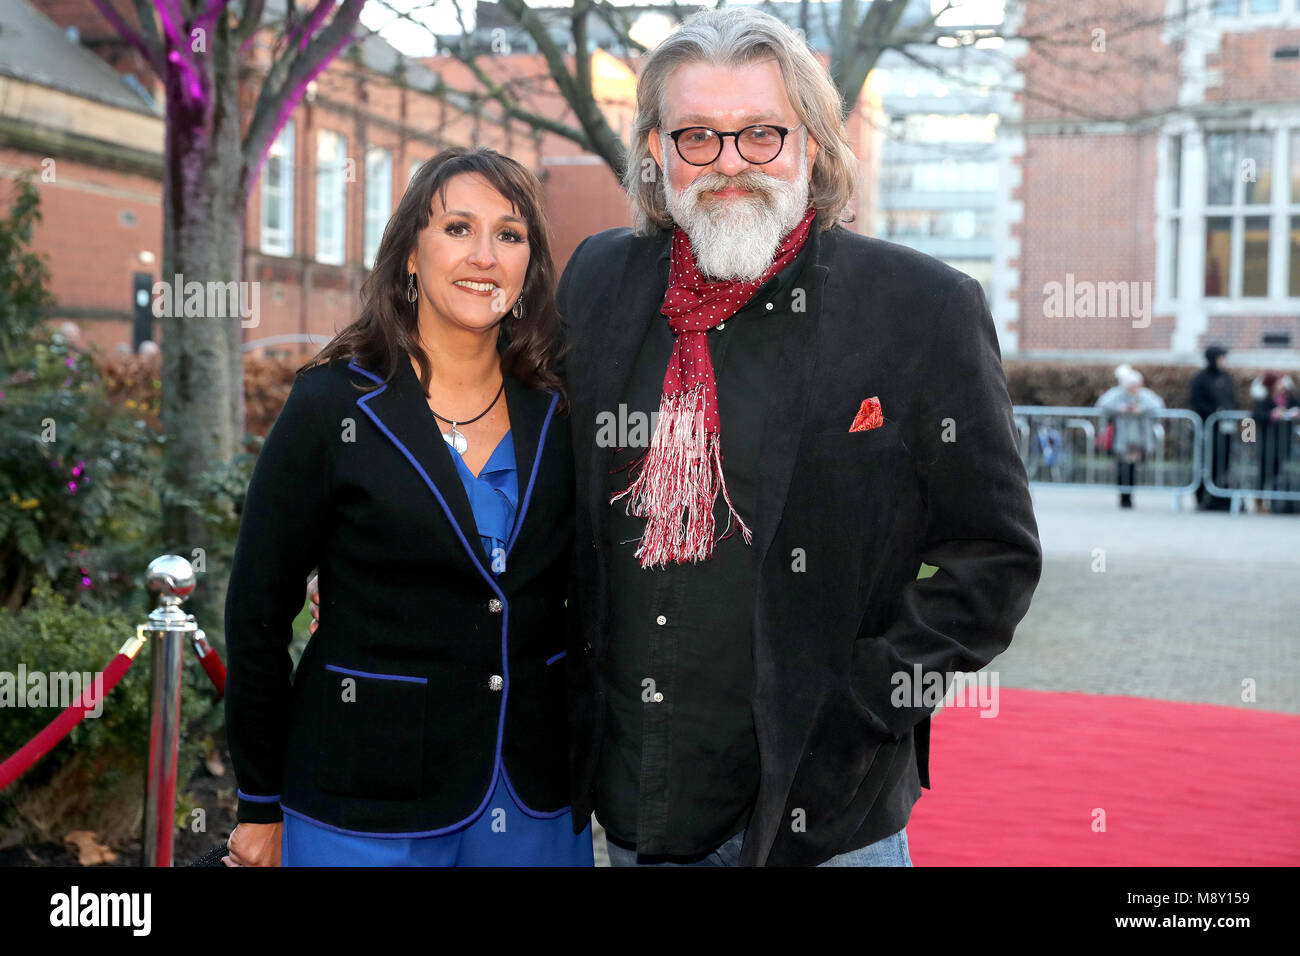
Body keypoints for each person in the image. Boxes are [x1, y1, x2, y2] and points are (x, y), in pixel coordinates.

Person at [557, 7, 1040, 866]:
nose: (729, 163)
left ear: (812, 144)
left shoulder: (920, 308)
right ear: (656, 153)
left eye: (762, 134)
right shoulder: (598, 280)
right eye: (697, 136)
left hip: (825, 815)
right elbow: (528, 470)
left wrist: (867, 705)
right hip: (636, 803)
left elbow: (994, 557)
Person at [223, 147, 592, 866]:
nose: (484, 255)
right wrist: (259, 805)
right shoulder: (332, 403)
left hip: (534, 800)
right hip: (366, 801)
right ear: (411, 257)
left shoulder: (568, 404)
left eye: (509, 235)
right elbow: (258, 611)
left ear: (529, 267)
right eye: (458, 228)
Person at [1096, 364, 1165, 509]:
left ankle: (1130, 495)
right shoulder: (1117, 394)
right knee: (1122, 467)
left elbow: (1158, 406)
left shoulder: (1145, 396)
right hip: (1122, 438)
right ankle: (1123, 496)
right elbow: (1103, 406)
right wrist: (1119, 409)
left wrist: (1142, 410)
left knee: (1133, 468)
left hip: (1139, 438)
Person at [1188, 345, 1236, 510]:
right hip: (1207, 429)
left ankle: (1219, 497)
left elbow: (1231, 399)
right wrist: (1214, 413)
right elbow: (1196, 401)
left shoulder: (1226, 377)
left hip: (1225, 430)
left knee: (1222, 464)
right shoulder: (1201, 378)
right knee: (1205, 463)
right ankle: (1202, 497)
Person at [1251, 371, 1300, 514]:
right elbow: (1256, 416)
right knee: (1264, 473)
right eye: (1279, 381)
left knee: (1279, 472)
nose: (1283, 384)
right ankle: (1259, 502)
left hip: (1283, 441)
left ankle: (1274, 503)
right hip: (1267, 442)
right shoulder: (1263, 398)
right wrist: (1272, 415)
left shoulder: (1289, 397)